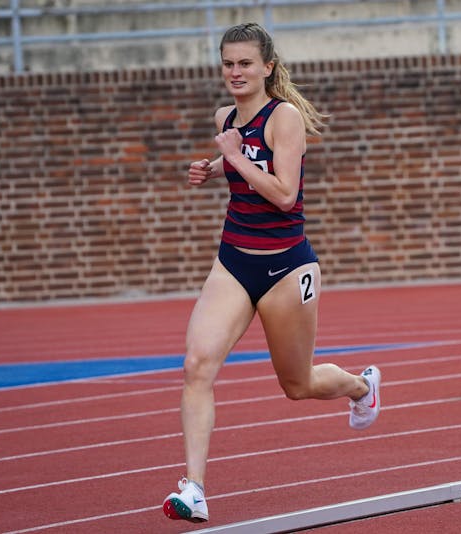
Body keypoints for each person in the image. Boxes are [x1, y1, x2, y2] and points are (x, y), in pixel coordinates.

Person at [162, 22, 381, 523]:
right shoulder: (225, 117)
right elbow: (241, 161)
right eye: (228, 63)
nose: (235, 72)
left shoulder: (284, 118)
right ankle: (193, 488)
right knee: (197, 365)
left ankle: (361, 387)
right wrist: (214, 166)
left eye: (245, 63)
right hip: (234, 262)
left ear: (267, 67)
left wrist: (234, 155)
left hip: (286, 267)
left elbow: (284, 194)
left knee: (298, 384)